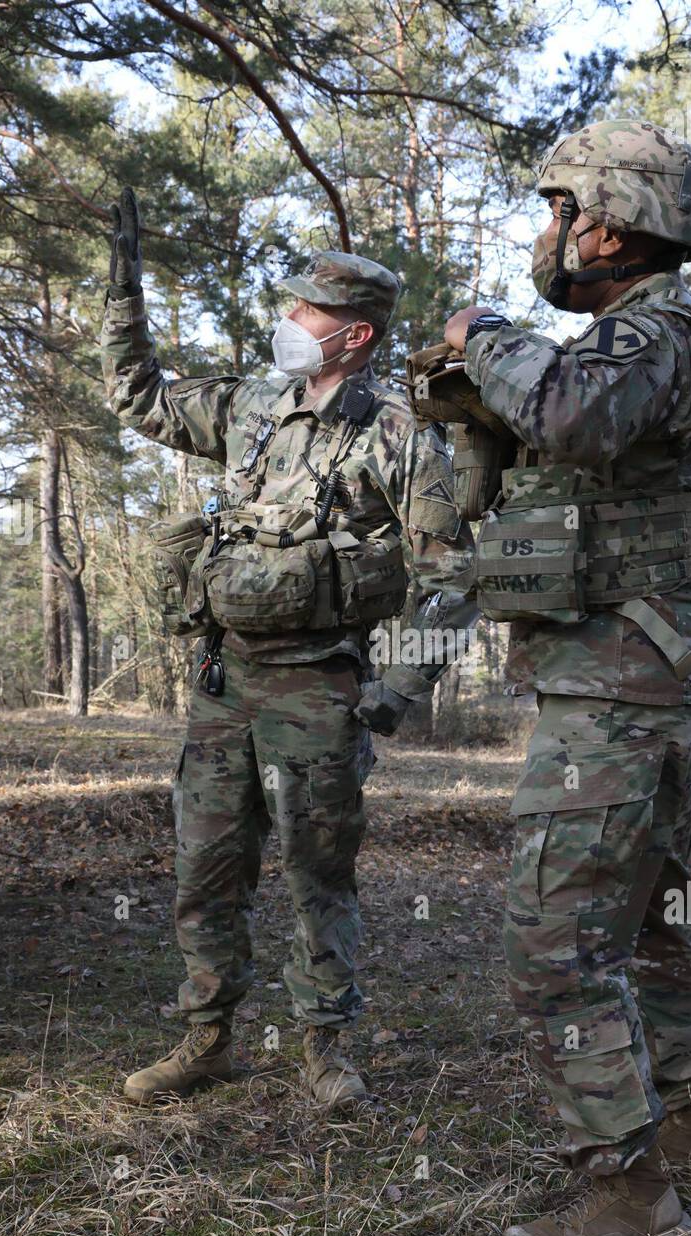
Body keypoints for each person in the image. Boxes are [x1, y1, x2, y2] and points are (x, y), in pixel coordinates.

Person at [429, 119, 691, 1236]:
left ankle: (627, 1197)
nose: (549, 234)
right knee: (643, 914)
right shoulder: (659, 336)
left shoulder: (653, 330)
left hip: (623, 675)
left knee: (556, 936)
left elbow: (570, 412)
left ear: (609, 226)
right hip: (636, 663)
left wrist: (481, 333)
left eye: (558, 210)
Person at [101, 189, 475, 1108]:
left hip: (319, 690)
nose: (291, 320)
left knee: (318, 873)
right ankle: (207, 1038)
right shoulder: (250, 405)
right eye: (295, 303)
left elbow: (457, 576)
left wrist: (396, 691)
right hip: (225, 681)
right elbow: (137, 397)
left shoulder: (397, 433)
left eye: (308, 309)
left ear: (355, 334)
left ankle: (325, 1048)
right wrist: (122, 294)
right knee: (206, 866)